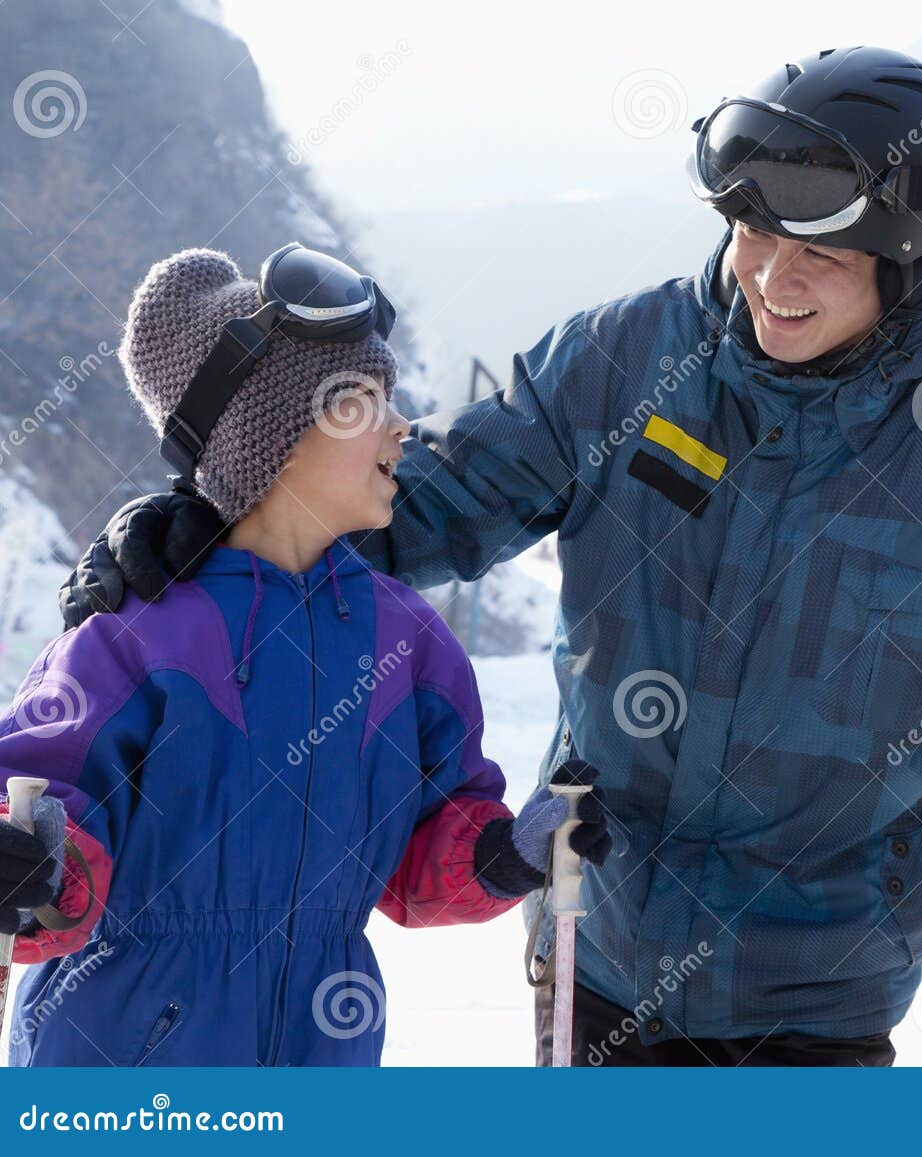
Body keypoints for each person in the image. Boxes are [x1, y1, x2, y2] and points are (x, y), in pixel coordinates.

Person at [57, 47, 922, 1066]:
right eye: (752, 230)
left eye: (819, 253)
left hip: (820, 993)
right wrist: (211, 527)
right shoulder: (624, 362)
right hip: (598, 937)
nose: (770, 275)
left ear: (911, 260)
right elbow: (421, 504)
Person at [0, 246, 609, 1066]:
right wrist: (31, 865)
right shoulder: (137, 634)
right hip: (121, 1053)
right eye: (364, 400)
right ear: (274, 438)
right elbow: (41, 800)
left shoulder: (407, 643)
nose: (401, 425)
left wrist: (509, 853)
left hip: (324, 1041)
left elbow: (422, 852)